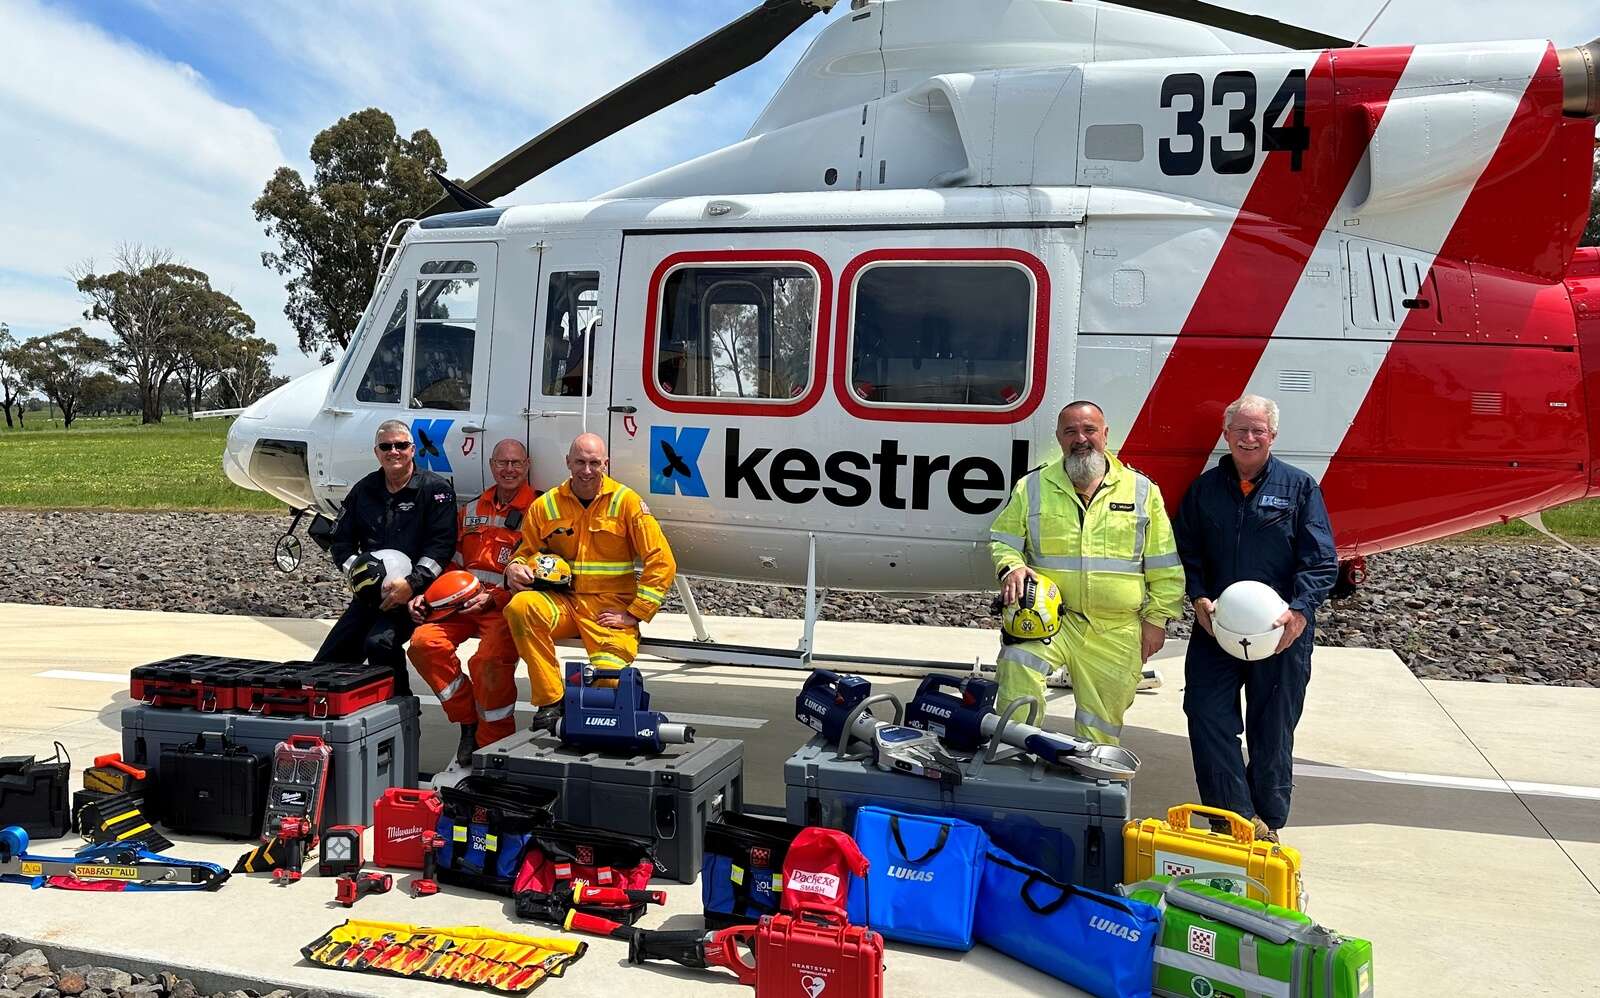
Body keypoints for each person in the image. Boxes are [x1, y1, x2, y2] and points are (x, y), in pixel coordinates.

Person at [1174, 394, 1337, 843]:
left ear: (1273, 436)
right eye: (1240, 430)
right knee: (1205, 713)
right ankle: (1235, 818)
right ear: (1226, 435)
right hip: (1216, 630)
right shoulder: (1205, 491)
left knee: (1273, 725)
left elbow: (1321, 560)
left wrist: (1301, 612)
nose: (1249, 439)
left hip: (1281, 634)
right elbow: (1186, 552)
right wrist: (1198, 597)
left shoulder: (1300, 488)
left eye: (1257, 431)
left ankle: (1268, 820)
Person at [988, 401, 1185, 744]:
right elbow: (1003, 541)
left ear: (1105, 435)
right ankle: (1013, 760)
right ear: (1059, 438)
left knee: (1101, 726)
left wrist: (1156, 620)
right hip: (1050, 622)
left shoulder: (1141, 491)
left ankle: (1093, 780)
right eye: (1071, 431)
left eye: (1089, 430)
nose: (1081, 439)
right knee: (1018, 662)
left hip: (1116, 628)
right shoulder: (1032, 487)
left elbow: (1164, 564)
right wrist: (1013, 567)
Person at [502, 432, 677, 730]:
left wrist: (634, 613)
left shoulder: (626, 502)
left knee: (609, 681)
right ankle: (550, 701)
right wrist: (514, 568)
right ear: (567, 462)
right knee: (521, 607)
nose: (586, 470)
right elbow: (524, 552)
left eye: (594, 463)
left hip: (608, 611)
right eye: (580, 462)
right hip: (565, 604)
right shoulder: (547, 505)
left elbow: (662, 561)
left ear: (605, 464)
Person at [406, 439, 539, 767]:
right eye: (502, 463)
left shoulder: (540, 510)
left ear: (527, 467)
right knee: (423, 643)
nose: (509, 470)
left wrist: (493, 598)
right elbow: (453, 564)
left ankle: (493, 744)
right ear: (492, 466)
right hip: (462, 604)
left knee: (490, 663)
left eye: (516, 463)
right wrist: (429, 597)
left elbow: (538, 570)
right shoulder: (472, 510)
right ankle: (468, 722)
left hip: (506, 606)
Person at [317, 419, 456, 696]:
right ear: (377, 452)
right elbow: (341, 540)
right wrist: (357, 574)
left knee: (379, 643)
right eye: (386, 446)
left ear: (413, 449)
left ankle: (400, 709)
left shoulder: (436, 491)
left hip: (416, 596)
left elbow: (441, 547)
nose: (394, 451)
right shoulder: (363, 490)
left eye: (401, 445)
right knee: (327, 663)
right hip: (370, 595)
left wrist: (412, 584)